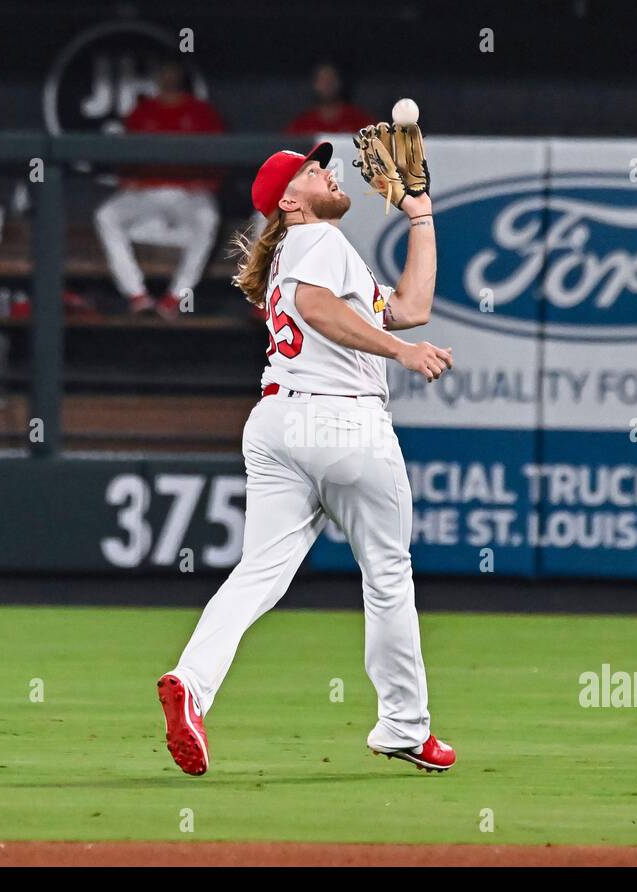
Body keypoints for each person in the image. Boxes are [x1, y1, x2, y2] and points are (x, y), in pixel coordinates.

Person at [156, 140, 457, 776]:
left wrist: (421, 217)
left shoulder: (306, 248)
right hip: (343, 420)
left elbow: (410, 308)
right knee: (387, 576)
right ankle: (405, 725)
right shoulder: (316, 239)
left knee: (258, 572)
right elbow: (319, 308)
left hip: (276, 422)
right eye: (314, 170)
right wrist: (402, 355)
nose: (330, 171)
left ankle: (191, 682)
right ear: (291, 202)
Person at [93, 59, 225, 321]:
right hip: (147, 194)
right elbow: (124, 158)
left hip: (187, 195)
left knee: (208, 217)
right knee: (106, 215)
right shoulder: (143, 111)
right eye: (164, 70)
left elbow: (221, 157)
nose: (169, 76)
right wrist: (127, 178)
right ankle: (137, 295)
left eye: (174, 70)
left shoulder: (201, 111)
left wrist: (209, 182)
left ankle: (175, 296)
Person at [286, 61, 376, 135]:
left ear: (339, 82)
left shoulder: (358, 118)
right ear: (314, 85)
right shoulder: (302, 123)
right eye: (322, 80)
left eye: (331, 80)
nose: (327, 85)